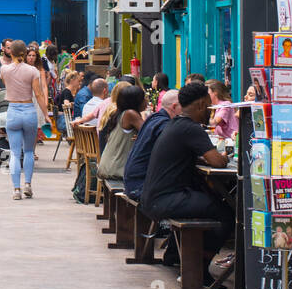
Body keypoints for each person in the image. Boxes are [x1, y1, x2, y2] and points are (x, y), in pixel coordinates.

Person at [141, 81, 232, 260]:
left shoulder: (175, 124)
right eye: (208, 106)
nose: (210, 111)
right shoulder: (191, 129)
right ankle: (200, 267)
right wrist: (225, 156)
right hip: (166, 200)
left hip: (153, 197)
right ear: (200, 105)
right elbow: (218, 162)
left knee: (208, 199)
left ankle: (174, 255)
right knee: (227, 214)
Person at [1, 39, 49, 200]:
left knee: (14, 153)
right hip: (29, 112)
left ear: (11, 52)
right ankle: (28, 184)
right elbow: (39, 94)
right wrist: (47, 115)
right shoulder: (32, 71)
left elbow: (5, 83)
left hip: (13, 111)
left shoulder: (4, 69)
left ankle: (16, 189)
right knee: (29, 151)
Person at [122, 89, 180, 202]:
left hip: (130, 178)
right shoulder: (133, 114)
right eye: (144, 99)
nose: (147, 101)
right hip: (136, 183)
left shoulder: (153, 119)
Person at [97, 83, 147, 184]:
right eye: (144, 98)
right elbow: (149, 131)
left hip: (109, 166)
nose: (147, 101)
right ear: (136, 101)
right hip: (117, 170)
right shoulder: (130, 114)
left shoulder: (120, 113)